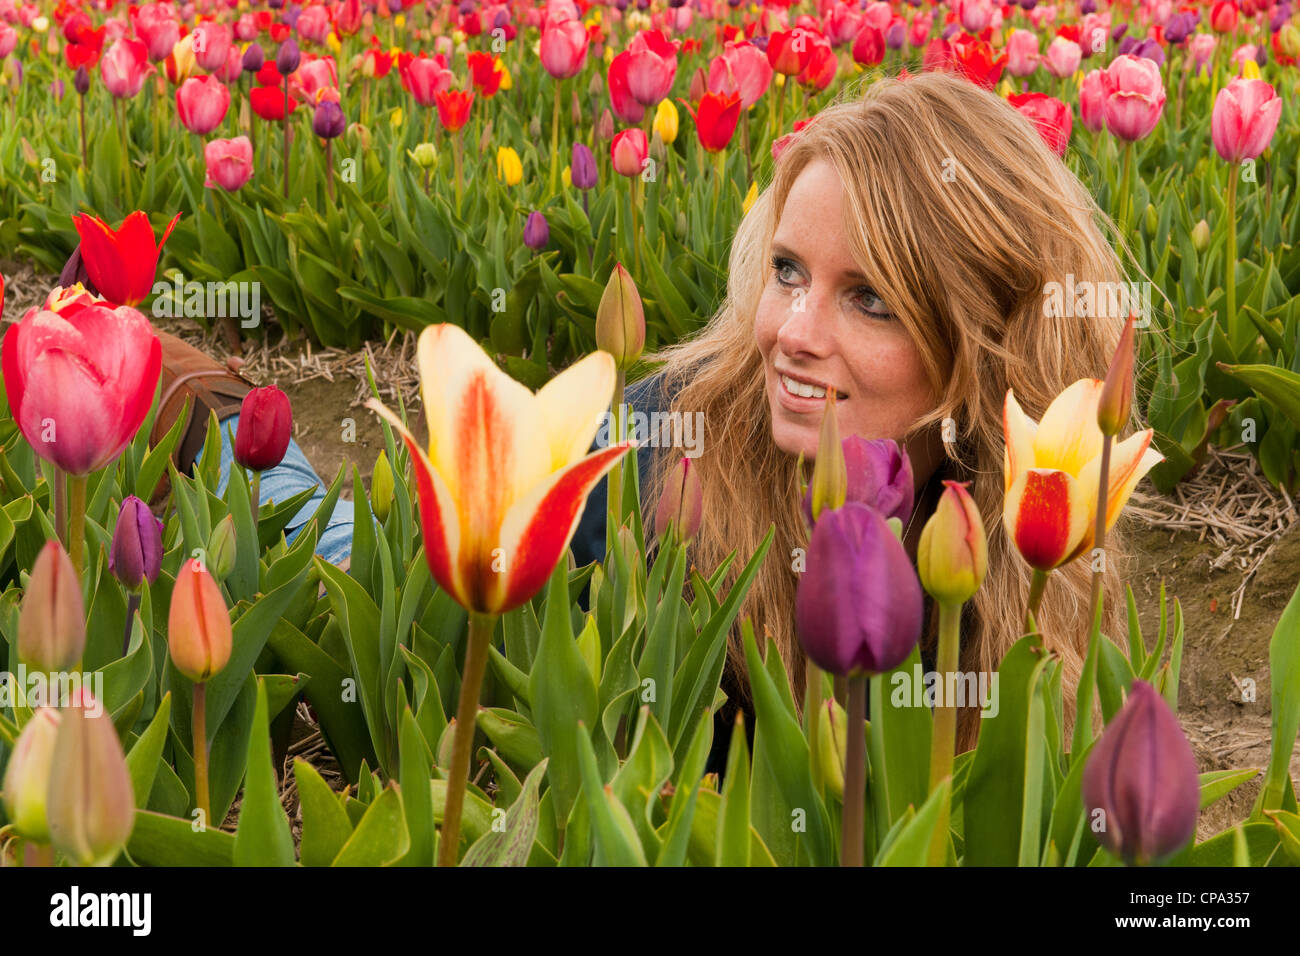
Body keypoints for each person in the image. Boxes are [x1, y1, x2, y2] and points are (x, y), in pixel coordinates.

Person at [573, 71, 1133, 771]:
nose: (791, 332)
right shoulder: (636, 466)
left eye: (868, 299)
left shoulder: (1028, 526)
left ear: (981, 347)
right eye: (787, 271)